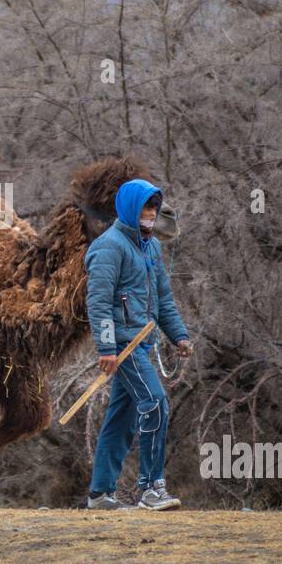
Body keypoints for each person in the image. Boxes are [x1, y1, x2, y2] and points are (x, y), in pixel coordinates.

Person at [84, 178, 193, 510]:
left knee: (121, 419)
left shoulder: (153, 247)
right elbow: (98, 303)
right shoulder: (108, 247)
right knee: (156, 404)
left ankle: (100, 494)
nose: (151, 213)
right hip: (123, 347)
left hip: (144, 344)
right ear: (131, 208)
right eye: (146, 207)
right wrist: (106, 349)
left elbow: (163, 298)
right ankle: (151, 489)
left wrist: (179, 335)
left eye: (154, 207)